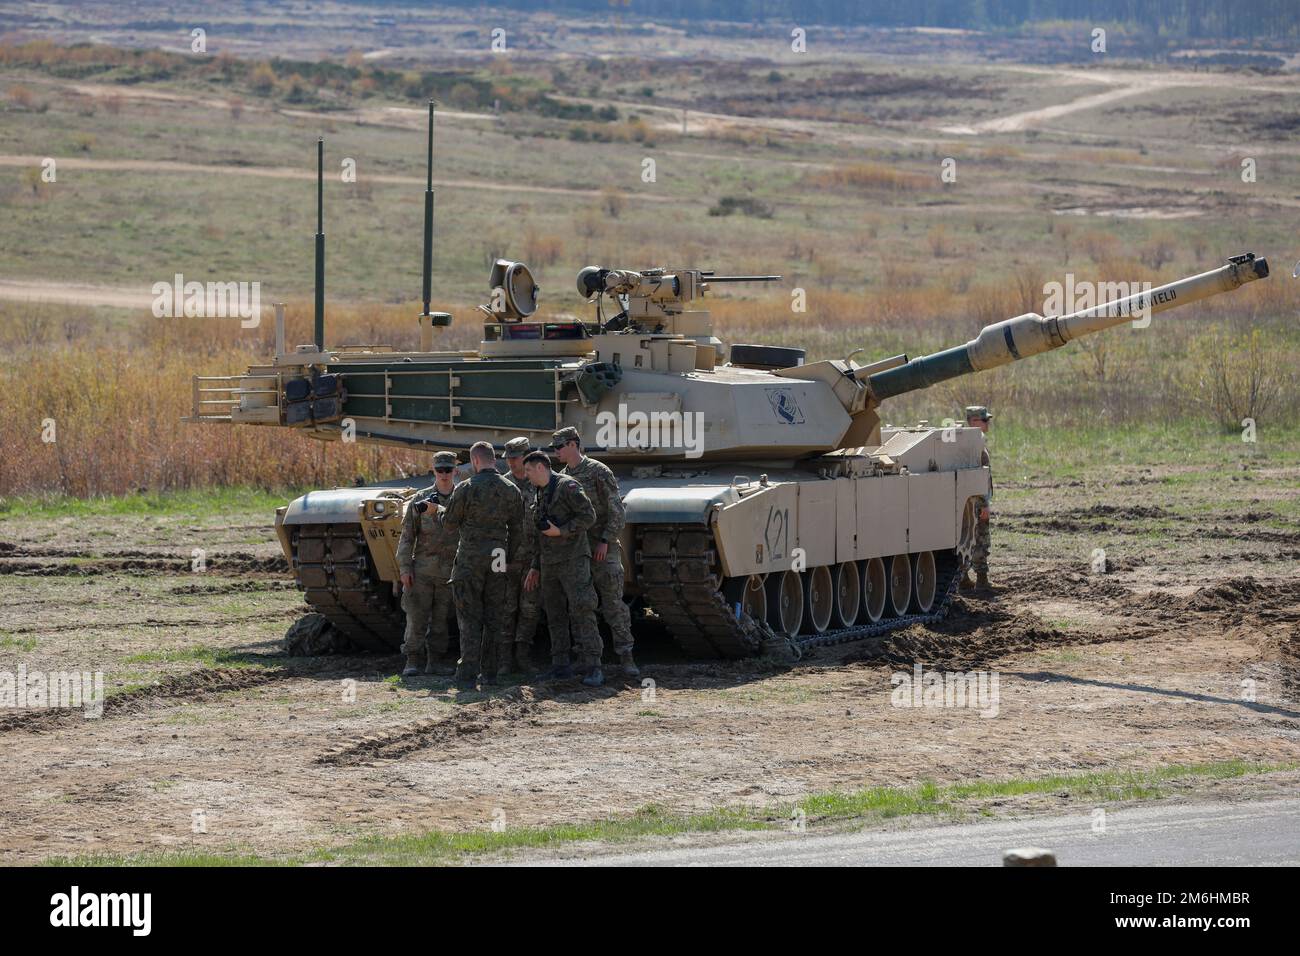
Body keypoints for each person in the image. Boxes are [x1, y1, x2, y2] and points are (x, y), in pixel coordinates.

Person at [551, 426, 638, 678]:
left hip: (603, 548)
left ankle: (626, 656)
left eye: (559, 446)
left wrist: (605, 540)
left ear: (573, 444)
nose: (556, 452)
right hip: (577, 552)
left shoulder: (598, 471)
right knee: (579, 605)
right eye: (554, 447)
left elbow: (616, 511)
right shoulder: (561, 478)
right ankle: (586, 656)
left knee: (612, 604)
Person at [441, 441, 523, 689]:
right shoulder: (511, 490)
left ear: (475, 461)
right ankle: (490, 674)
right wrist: (508, 557)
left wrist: (438, 512)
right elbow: (518, 530)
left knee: (469, 616)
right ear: (493, 459)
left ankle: (467, 675)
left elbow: (449, 524)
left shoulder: (466, 488)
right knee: (494, 616)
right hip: (498, 557)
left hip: (470, 558)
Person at [521, 449, 605, 687]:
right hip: (549, 564)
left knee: (582, 610)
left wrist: (562, 531)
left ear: (540, 468)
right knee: (555, 615)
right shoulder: (539, 491)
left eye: (528, 470)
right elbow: (540, 533)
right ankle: (560, 665)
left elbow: (589, 516)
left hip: (573, 560)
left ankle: (594, 666)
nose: (526, 475)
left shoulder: (567, 487)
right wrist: (536, 566)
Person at [395, 451, 460, 676]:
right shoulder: (419, 499)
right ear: (433, 470)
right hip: (422, 570)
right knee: (416, 617)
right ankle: (412, 661)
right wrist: (404, 568)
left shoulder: (461, 498)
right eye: (439, 470)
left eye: (448, 470)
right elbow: (406, 537)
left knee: (441, 620)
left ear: (455, 471)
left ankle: (436, 661)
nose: (444, 474)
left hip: (449, 571)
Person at [498, 436, 541, 678]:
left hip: (533, 560)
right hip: (506, 560)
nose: (512, 463)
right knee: (505, 610)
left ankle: (523, 657)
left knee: (530, 609)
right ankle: (504, 661)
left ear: (527, 456)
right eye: (509, 459)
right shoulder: (502, 486)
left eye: (515, 458)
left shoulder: (541, 483)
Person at [962, 406, 993, 590]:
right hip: (976, 501)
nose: (988, 423)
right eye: (984, 420)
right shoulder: (973, 444)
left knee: (967, 538)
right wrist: (984, 503)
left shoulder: (969, 441)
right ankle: (981, 581)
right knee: (980, 537)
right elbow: (977, 477)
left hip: (969, 501)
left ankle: (964, 578)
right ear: (973, 422)